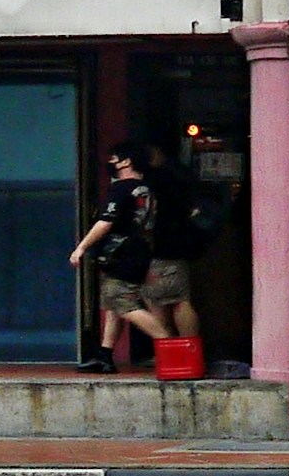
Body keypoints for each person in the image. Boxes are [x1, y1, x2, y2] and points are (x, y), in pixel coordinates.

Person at [69, 145, 172, 373]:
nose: (111, 163)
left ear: (126, 162)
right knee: (113, 306)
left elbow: (106, 222)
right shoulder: (146, 189)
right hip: (141, 251)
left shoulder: (121, 189)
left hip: (121, 254)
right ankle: (105, 355)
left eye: (114, 159)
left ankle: (167, 343)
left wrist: (81, 248)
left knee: (121, 300)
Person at [135, 140, 204, 345]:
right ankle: (189, 350)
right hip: (178, 246)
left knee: (159, 303)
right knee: (180, 299)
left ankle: (168, 351)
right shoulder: (182, 177)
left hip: (157, 247)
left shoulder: (151, 181)